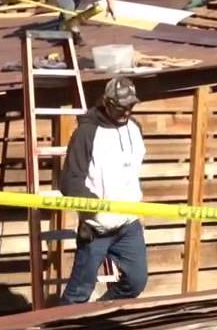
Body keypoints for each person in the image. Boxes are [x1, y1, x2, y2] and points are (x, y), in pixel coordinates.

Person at [59, 77, 148, 304]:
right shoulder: (86, 134)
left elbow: (132, 172)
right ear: (107, 103)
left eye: (131, 107)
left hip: (128, 225)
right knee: (78, 293)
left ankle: (98, 318)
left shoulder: (135, 129)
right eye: (121, 107)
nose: (126, 112)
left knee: (136, 282)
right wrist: (91, 208)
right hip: (97, 228)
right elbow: (70, 180)